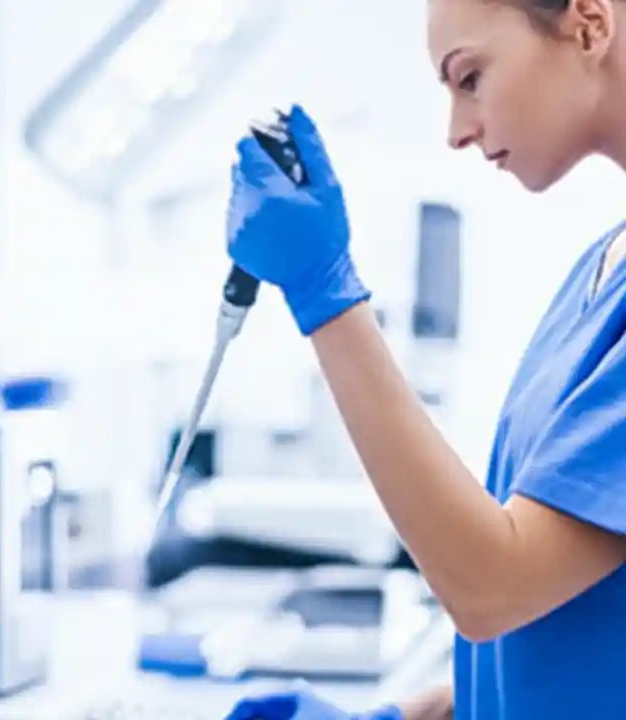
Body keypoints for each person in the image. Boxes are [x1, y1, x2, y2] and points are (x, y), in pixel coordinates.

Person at [221, 1, 626, 719]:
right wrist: (420, 714)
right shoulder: (601, 271)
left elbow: (492, 587)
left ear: (591, 24)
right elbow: (571, 632)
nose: (455, 131)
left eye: (469, 78)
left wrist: (327, 295)